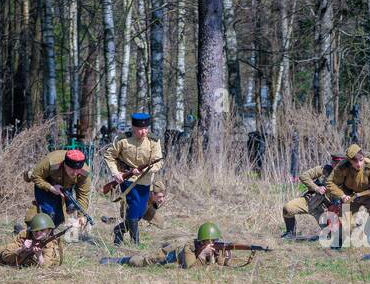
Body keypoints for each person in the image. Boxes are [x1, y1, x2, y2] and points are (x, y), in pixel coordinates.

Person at [102, 113, 165, 246]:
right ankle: (135, 243)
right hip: (126, 178)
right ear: (133, 128)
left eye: (146, 129)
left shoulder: (154, 141)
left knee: (140, 212)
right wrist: (116, 174)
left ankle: (119, 230)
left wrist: (146, 169)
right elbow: (109, 155)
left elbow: (158, 162)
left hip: (145, 179)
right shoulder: (122, 139)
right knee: (134, 204)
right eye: (140, 129)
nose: (144, 132)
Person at [99, 222, 256, 269]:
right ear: (202, 242)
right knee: (142, 261)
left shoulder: (216, 247)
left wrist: (227, 256)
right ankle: (117, 260)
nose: (212, 244)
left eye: (214, 241)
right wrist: (202, 254)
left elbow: (221, 264)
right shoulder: (190, 248)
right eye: (209, 242)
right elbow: (189, 267)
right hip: (170, 255)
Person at [323, 145, 370, 241]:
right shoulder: (341, 166)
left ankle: (369, 230)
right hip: (349, 195)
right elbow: (330, 183)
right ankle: (340, 239)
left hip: (368, 193)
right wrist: (342, 195)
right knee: (347, 226)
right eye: (355, 161)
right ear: (349, 161)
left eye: (361, 160)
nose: (359, 164)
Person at [24, 148, 91, 227]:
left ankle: (47, 235)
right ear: (65, 164)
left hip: (63, 187)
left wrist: (81, 215)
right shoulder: (52, 162)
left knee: (59, 219)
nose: (75, 173)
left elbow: (83, 195)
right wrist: (51, 188)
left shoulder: (85, 173)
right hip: (45, 181)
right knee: (49, 213)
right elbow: (36, 176)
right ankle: (32, 226)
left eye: (78, 170)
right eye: (72, 169)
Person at [281, 158, 340, 240]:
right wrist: (316, 188)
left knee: (333, 237)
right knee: (288, 208)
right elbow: (303, 176)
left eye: (339, 163)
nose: (336, 165)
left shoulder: (348, 176)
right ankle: (290, 233)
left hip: (325, 209)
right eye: (334, 162)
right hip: (311, 200)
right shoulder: (324, 169)